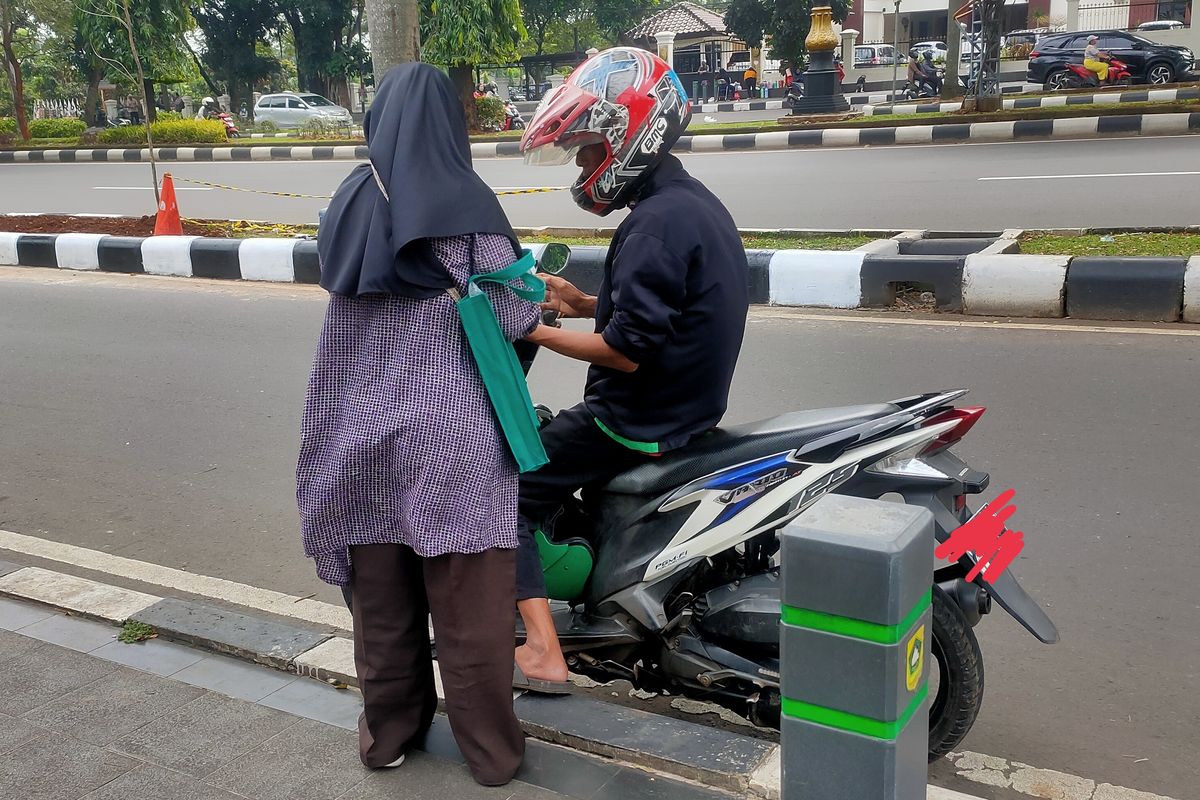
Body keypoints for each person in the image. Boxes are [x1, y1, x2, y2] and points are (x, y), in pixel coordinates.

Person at [297, 63, 536, 786]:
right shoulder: (467, 205)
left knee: (381, 606)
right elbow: (513, 311)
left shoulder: (346, 203)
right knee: (469, 616)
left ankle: (388, 739)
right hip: (451, 440)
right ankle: (491, 756)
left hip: (356, 435)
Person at [514, 47, 749, 689]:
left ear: (630, 134)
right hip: (687, 407)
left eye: (590, 150)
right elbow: (663, 313)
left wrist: (530, 327)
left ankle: (542, 649)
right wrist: (582, 302)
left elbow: (626, 350)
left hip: (637, 416)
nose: (586, 165)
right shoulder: (686, 204)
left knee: (505, 490)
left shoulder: (651, 227)